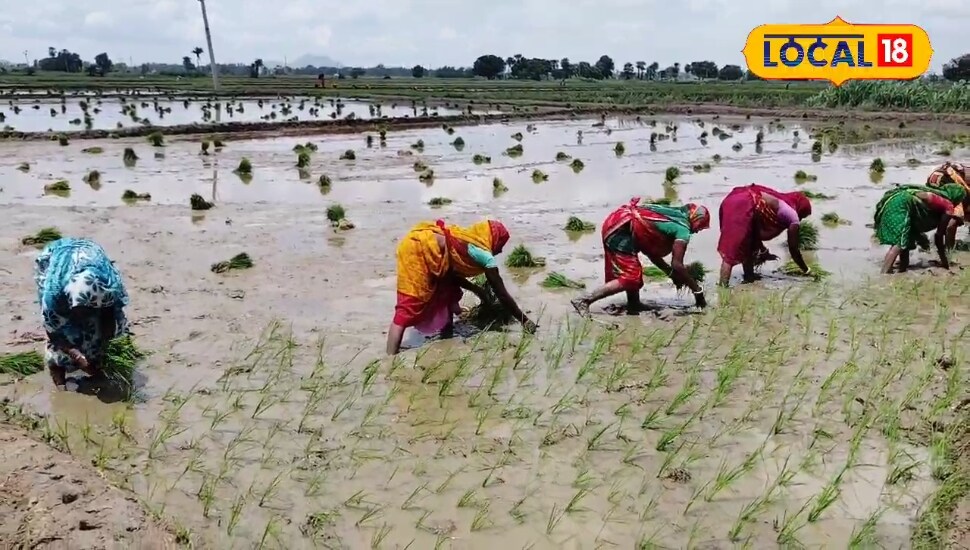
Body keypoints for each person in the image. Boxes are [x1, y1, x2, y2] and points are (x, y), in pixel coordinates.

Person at [386, 219, 536, 355]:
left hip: (421, 242)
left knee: (446, 289)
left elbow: (452, 277)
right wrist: (524, 320)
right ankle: (390, 359)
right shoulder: (484, 255)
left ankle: (447, 333)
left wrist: (478, 290)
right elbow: (501, 293)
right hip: (417, 249)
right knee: (408, 306)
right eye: (501, 244)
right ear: (494, 239)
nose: (501, 250)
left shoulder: (467, 239)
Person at [571, 197, 711, 316]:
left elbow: (651, 253)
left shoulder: (675, 216)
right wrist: (697, 291)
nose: (698, 231)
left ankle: (634, 304)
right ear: (695, 219)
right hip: (621, 229)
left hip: (618, 222)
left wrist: (670, 274)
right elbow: (677, 265)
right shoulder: (682, 229)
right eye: (700, 226)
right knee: (631, 277)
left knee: (634, 272)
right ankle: (584, 300)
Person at [34, 238, 129, 390]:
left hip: (90, 257)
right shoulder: (54, 295)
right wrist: (76, 355)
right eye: (83, 310)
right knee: (62, 337)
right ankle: (59, 381)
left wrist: (104, 347)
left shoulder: (109, 289)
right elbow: (53, 332)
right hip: (55, 258)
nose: (87, 314)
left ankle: (97, 371)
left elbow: (110, 320)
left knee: (97, 333)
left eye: (92, 309)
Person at [716, 184, 813, 286]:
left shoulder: (780, 203)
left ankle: (749, 277)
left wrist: (763, 251)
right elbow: (793, 249)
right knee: (731, 252)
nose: (801, 220)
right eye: (802, 215)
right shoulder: (792, 216)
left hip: (733, 200)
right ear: (801, 209)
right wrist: (806, 269)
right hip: (743, 205)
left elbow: (754, 235)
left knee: (748, 244)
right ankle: (723, 289)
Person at [874, 183, 967, 273]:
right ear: (956, 197)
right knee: (899, 243)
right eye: (960, 199)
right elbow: (939, 236)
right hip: (903, 203)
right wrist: (944, 261)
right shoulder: (948, 205)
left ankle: (902, 269)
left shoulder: (937, 197)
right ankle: (884, 273)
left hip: (893, 200)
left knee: (906, 238)